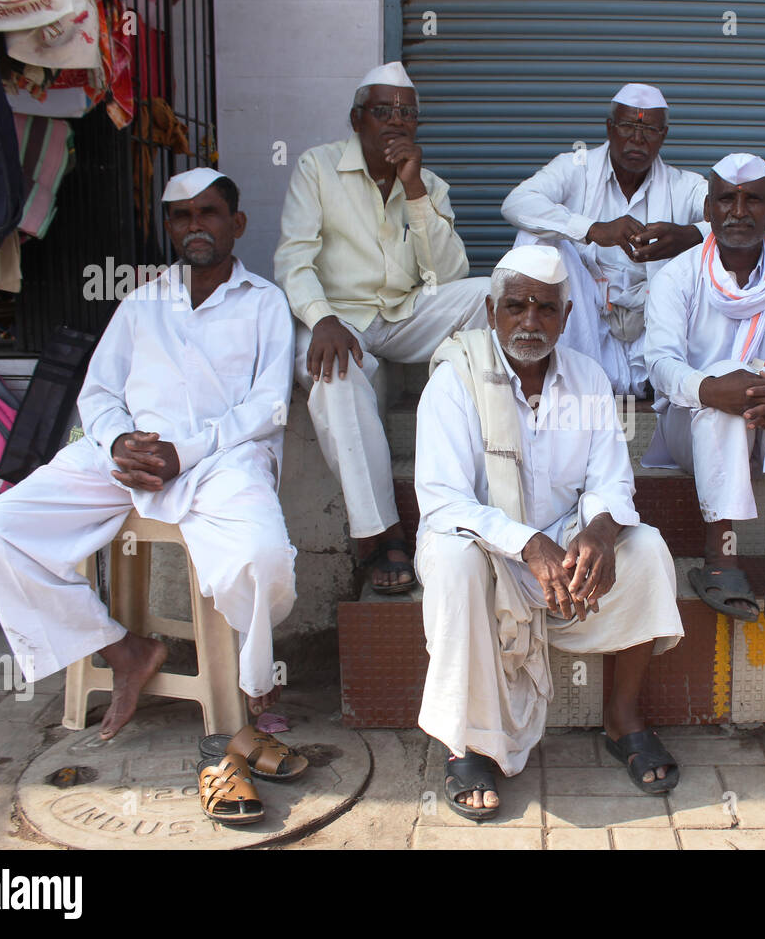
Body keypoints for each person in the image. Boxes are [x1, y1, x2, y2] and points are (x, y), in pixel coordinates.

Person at [0, 167, 297, 740]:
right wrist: (118, 441)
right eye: (181, 216)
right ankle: (122, 650)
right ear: (169, 228)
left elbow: (266, 407)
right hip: (128, 461)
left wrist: (184, 452)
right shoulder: (141, 303)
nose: (195, 226)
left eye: (208, 213)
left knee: (264, 557)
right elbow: (98, 392)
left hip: (222, 461)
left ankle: (255, 673)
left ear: (237, 223)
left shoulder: (265, 304)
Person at [414, 244, 684, 820]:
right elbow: (442, 502)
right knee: (455, 561)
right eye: (516, 307)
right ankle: (469, 744)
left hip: (564, 546)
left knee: (649, 550)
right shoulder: (455, 377)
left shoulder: (587, 378)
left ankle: (622, 719)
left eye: (545, 308)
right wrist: (527, 544)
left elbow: (610, 480)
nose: (529, 322)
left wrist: (601, 532)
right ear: (491, 312)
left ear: (565, 316)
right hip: (482, 547)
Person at [274, 61, 488, 595]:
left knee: (492, 293)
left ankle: (493, 439)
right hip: (336, 320)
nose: (396, 121)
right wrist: (320, 317)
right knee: (337, 377)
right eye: (383, 111)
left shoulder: (429, 184)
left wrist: (414, 190)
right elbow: (293, 259)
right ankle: (382, 533)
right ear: (356, 118)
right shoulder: (316, 168)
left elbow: (447, 276)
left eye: (407, 114)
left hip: (404, 314)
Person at [643, 153, 765, 625]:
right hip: (691, 428)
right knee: (725, 381)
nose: (738, 211)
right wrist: (712, 389)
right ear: (708, 210)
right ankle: (722, 553)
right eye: (726, 200)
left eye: (752, 200)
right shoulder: (679, 275)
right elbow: (660, 365)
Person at [501, 83, 708, 396]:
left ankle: (670, 381)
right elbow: (516, 203)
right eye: (627, 126)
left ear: (663, 135)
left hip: (651, 330)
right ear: (610, 128)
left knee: (719, 247)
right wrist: (592, 229)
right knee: (535, 238)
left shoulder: (684, 186)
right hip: (585, 326)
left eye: (649, 129)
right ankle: (547, 373)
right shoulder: (575, 168)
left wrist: (690, 235)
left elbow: (735, 216)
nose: (637, 139)